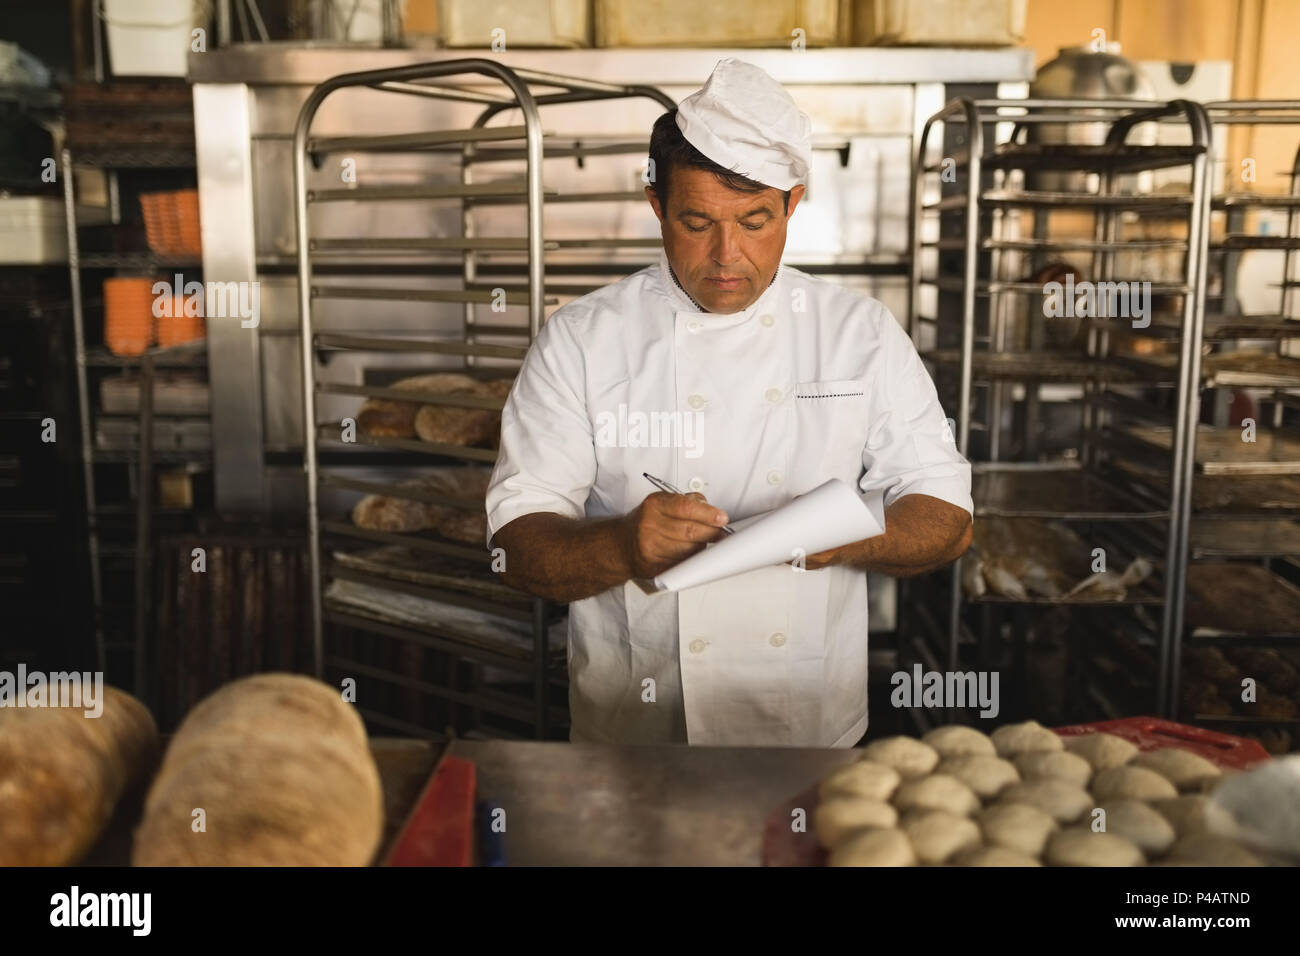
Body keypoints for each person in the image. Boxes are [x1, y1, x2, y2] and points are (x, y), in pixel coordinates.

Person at [485, 58, 972, 747]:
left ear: (792, 205)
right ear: (656, 205)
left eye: (755, 220)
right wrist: (622, 546)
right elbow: (515, 547)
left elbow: (949, 518)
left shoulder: (857, 335)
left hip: (808, 734)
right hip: (633, 734)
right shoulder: (582, 340)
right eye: (696, 221)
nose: (727, 255)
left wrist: (853, 536)